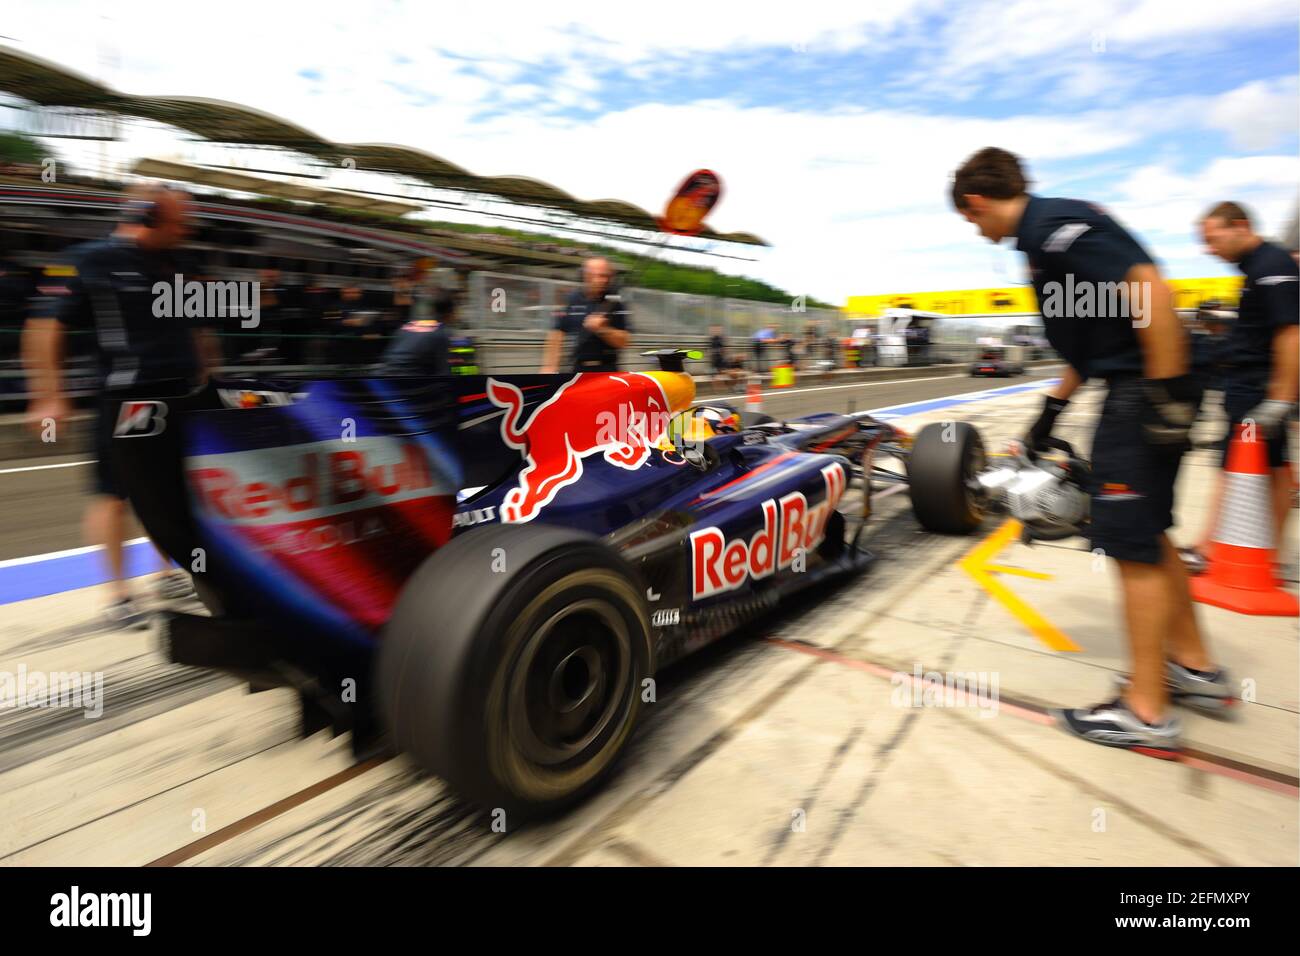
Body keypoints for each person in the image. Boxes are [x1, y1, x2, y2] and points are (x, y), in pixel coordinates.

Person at [950, 147, 1229, 756]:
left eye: (971, 221)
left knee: (1129, 546)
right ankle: (1194, 665)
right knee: (1149, 535)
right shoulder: (1044, 244)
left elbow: (1148, 288)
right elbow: (1090, 347)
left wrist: (1164, 396)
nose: (978, 231)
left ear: (975, 202)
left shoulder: (1052, 231)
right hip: (1133, 384)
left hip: (1140, 393)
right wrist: (1049, 414)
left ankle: (1146, 712)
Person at [22, 183, 216, 628]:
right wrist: (50, 395)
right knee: (115, 494)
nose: (185, 231)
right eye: (177, 223)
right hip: (129, 397)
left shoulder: (181, 263)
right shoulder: (89, 260)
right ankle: (118, 596)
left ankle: (166, 573)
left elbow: (198, 328)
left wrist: (208, 373)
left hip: (183, 394)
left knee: (172, 489)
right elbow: (43, 327)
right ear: (147, 217)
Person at [1191, 203, 1299, 563]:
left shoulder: (1271, 265)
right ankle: (1271, 552)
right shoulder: (1259, 266)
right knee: (1277, 469)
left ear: (1239, 225)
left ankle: (1207, 549)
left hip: (1255, 389)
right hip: (1254, 384)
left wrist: (1281, 398)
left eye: (1212, 238)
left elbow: (1290, 331)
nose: (1209, 249)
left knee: (1233, 464)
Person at [541, 257, 629, 373]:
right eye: (600, 276)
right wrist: (549, 367)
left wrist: (603, 329)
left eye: (607, 276)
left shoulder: (615, 302)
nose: (605, 280)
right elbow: (557, 334)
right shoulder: (571, 299)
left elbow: (624, 341)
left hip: (607, 370)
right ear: (586, 276)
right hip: (578, 369)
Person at [381, 287, 455, 377]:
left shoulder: (406, 327)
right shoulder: (440, 333)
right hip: (413, 387)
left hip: (385, 382)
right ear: (448, 313)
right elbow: (444, 374)